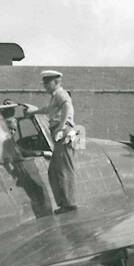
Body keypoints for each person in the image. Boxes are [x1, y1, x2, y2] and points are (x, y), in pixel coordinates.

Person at [40, 70, 78, 213]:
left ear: (56, 82)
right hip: (61, 132)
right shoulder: (55, 97)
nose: (44, 86)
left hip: (64, 132)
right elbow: (47, 110)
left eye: (47, 82)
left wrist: (62, 127)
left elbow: (67, 107)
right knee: (54, 170)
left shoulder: (61, 94)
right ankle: (64, 203)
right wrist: (33, 112)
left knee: (63, 168)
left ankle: (69, 204)